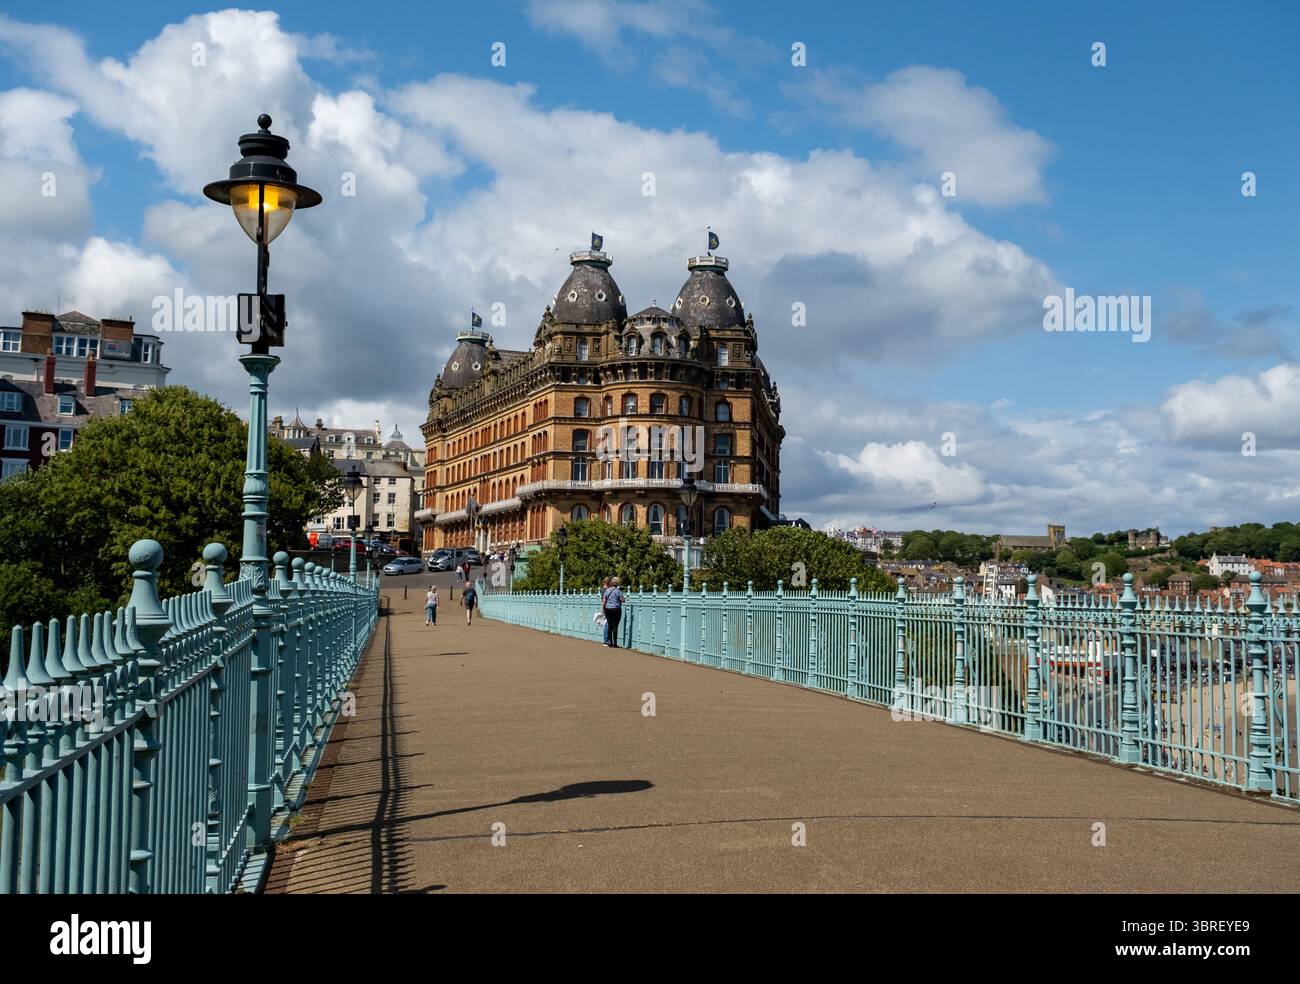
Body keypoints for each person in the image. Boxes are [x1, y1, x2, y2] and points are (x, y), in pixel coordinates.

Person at [601, 576, 625, 648]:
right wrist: (623, 598)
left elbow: (604, 600)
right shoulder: (618, 591)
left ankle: (610, 642)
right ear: (617, 583)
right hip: (616, 609)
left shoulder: (607, 590)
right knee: (615, 626)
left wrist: (603, 609)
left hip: (608, 609)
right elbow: (622, 600)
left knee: (610, 626)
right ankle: (615, 643)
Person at [598, 577, 611, 645]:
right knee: (607, 623)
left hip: (605, 607)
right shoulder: (605, 590)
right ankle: (606, 640)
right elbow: (604, 599)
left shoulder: (603, 589)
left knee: (607, 623)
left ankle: (607, 639)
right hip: (607, 607)